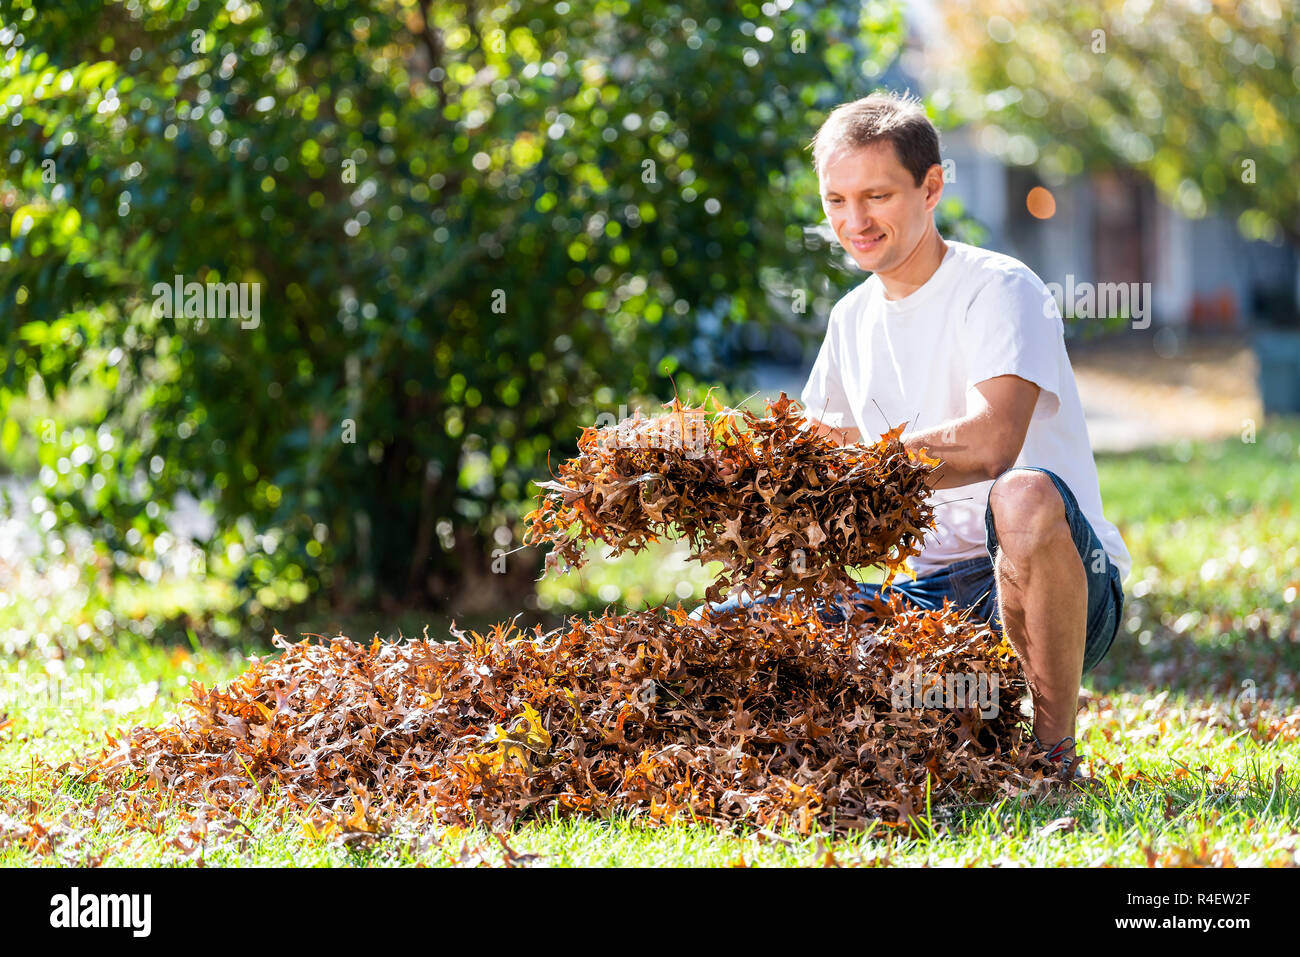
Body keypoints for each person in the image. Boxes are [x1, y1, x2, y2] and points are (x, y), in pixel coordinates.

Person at [693, 91, 1129, 777]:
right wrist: (728, 474)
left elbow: (992, 443)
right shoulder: (849, 320)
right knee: (722, 629)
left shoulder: (999, 287)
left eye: (876, 195)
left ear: (931, 187)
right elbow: (819, 472)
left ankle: (1052, 755)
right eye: (836, 200)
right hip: (929, 600)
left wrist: (861, 462)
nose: (855, 221)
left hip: (1061, 585)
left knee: (1019, 496)